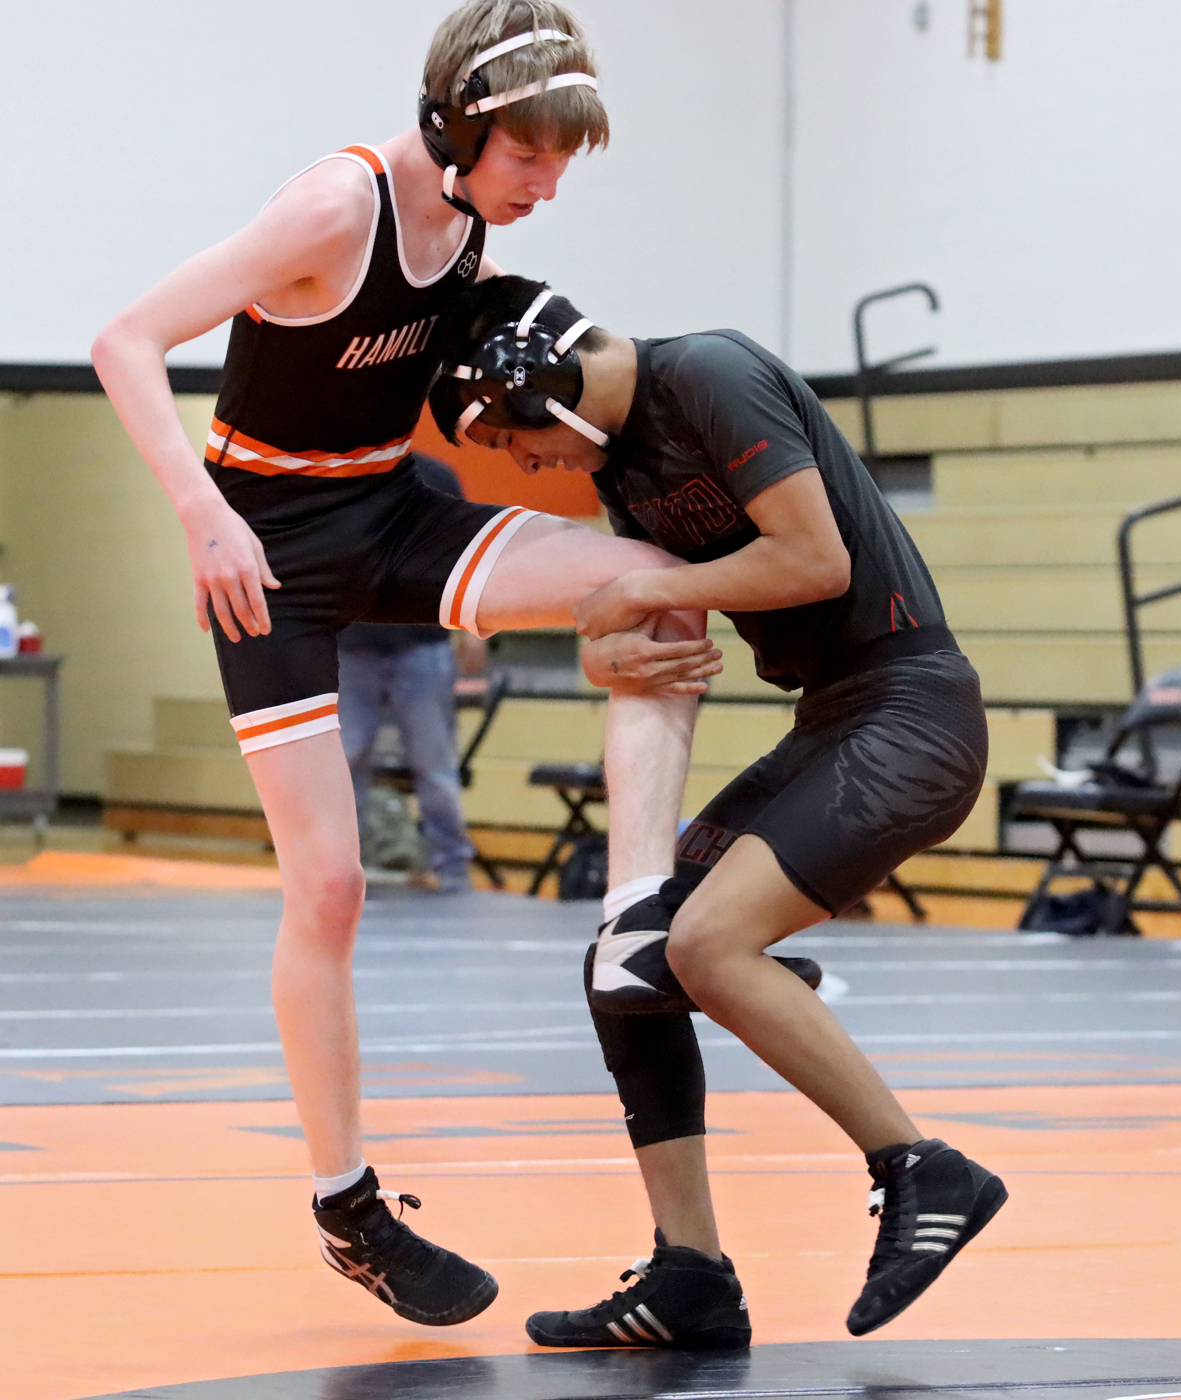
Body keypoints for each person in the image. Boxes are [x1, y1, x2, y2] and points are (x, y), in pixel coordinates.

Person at [89, 0, 732, 1331]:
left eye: (562, 162)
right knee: (327, 889)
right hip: (264, 543)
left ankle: (634, 918)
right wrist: (199, 512)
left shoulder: (471, 219)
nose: (548, 186)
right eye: (531, 160)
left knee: (658, 588)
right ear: (457, 126)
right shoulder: (334, 207)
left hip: (387, 513)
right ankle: (346, 1203)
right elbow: (125, 342)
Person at [435, 275, 1009, 1347]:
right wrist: (607, 643)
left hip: (912, 711)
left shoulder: (706, 371)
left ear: (537, 377)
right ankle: (691, 1271)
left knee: (705, 940)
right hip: (836, 722)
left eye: (510, 436)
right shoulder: (629, 469)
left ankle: (926, 1168)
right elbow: (667, 633)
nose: (524, 462)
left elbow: (814, 557)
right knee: (628, 962)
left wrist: (642, 598)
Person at [337, 457, 477, 893]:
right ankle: (345, 869)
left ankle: (452, 865)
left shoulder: (435, 475)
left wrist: (473, 627)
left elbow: (464, 552)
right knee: (343, 762)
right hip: (352, 644)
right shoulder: (342, 474)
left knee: (434, 764)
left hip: (423, 642)